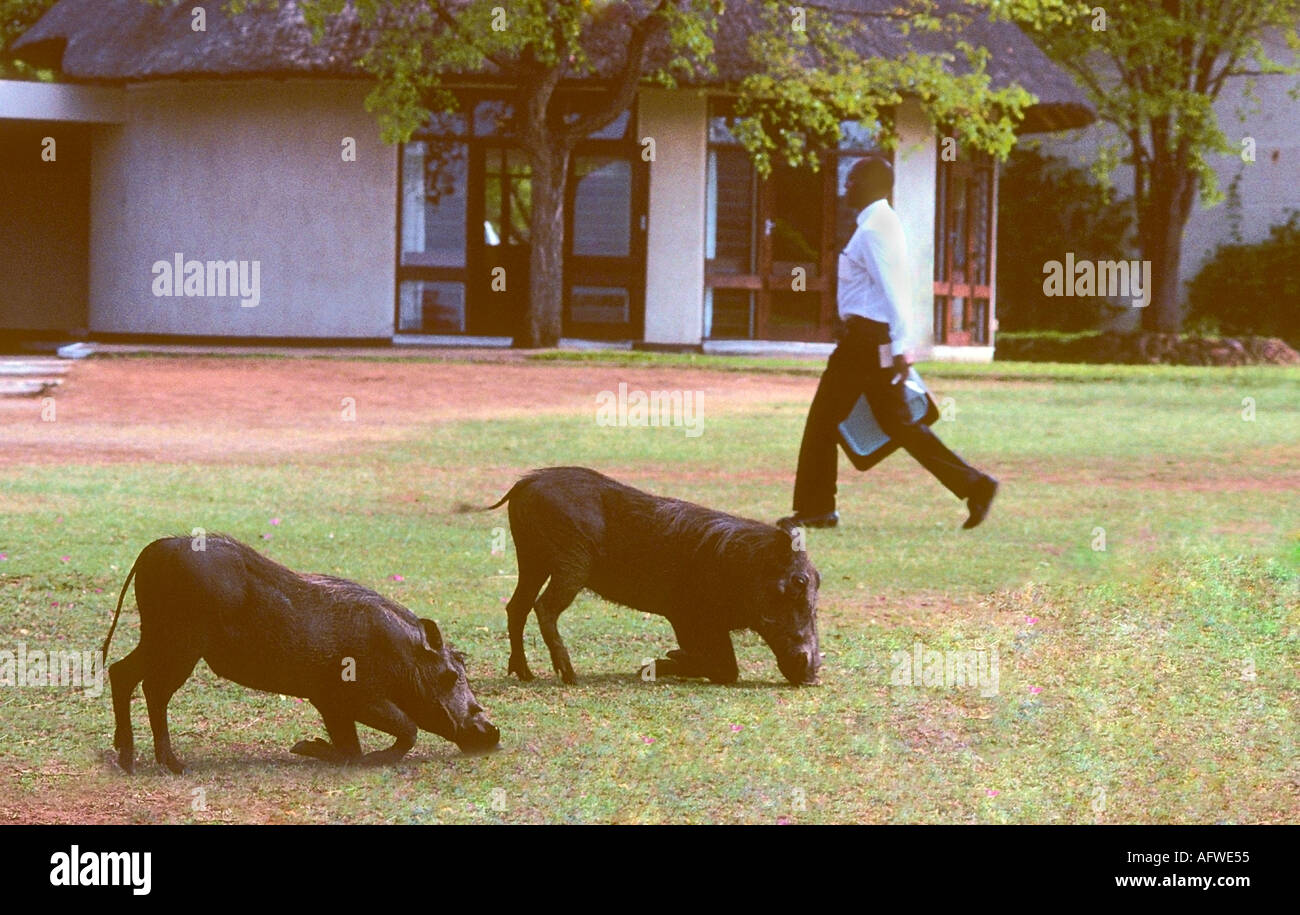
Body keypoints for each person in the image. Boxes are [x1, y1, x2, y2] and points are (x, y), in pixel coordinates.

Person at [779, 155, 998, 530]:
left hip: (865, 344)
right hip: (869, 341)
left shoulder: (875, 229)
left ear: (870, 186)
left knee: (823, 421)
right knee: (898, 424)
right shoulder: (877, 224)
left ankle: (817, 508)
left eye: (851, 181)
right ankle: (974, 485)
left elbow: (894, 289)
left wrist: (899, 346)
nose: (846, 188)